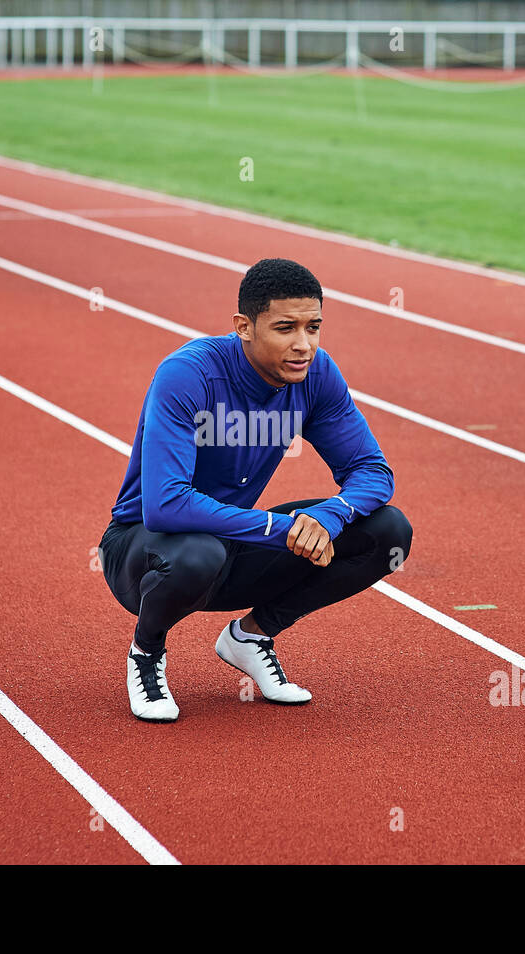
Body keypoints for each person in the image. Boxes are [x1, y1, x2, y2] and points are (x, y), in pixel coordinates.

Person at [98, 258, 412, 721]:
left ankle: (252, 636)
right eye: (285, 328)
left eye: (313, 327)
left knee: (387, 530)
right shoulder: (189, 374)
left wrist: (329, 516)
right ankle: (146, 655)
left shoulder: (316, 375)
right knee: (199, 552)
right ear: (244, 326)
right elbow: (165, 505)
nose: (303, 345)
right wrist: (278, 527)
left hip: (231, 544)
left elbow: (372, 470)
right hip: (144, 552)